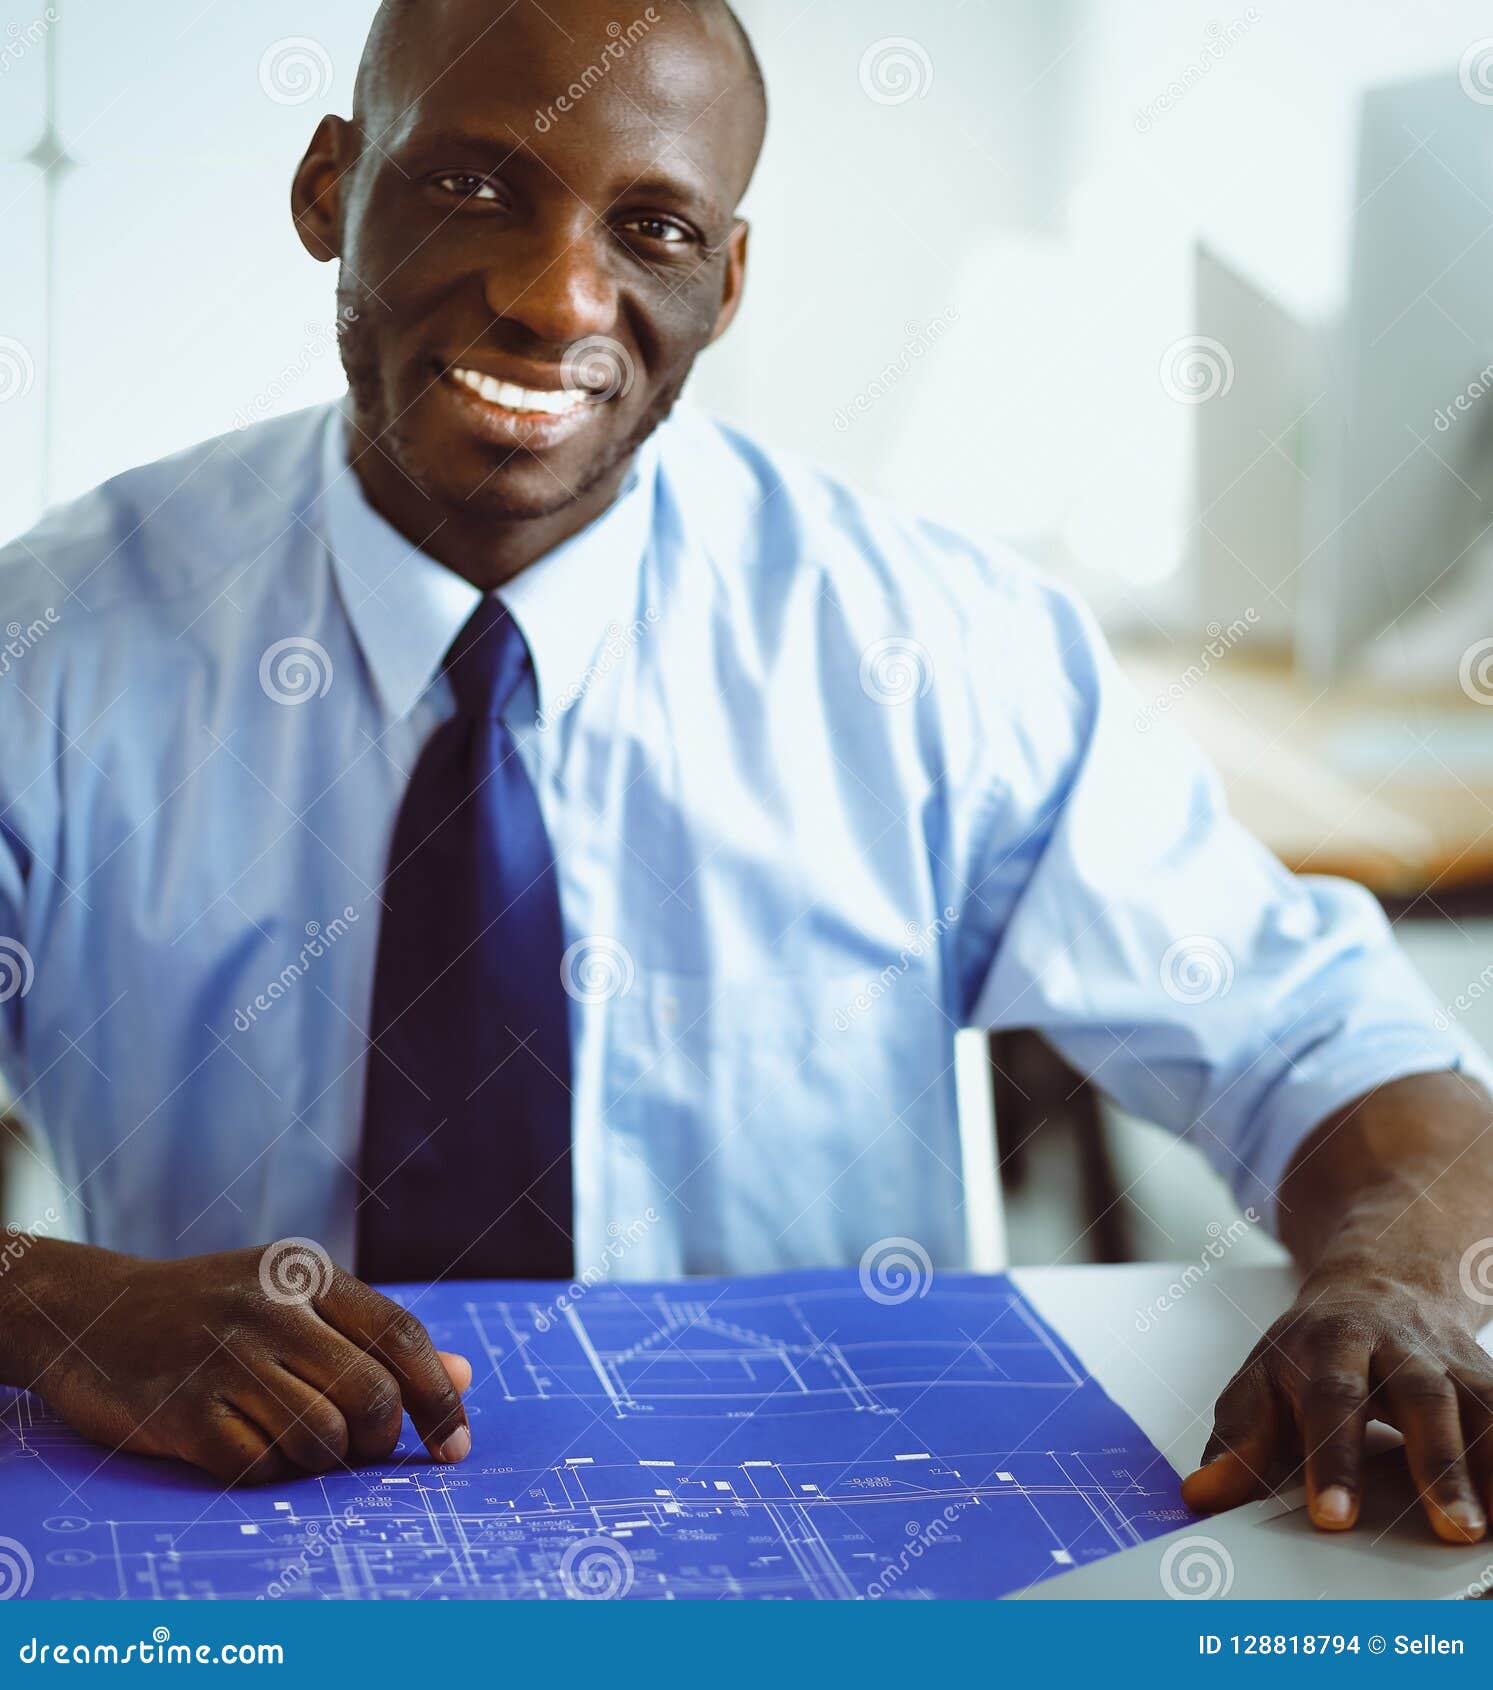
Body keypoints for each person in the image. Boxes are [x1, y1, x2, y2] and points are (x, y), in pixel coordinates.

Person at [2, 0, 1491, 1547]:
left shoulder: (938, 650)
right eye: (470, 186)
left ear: (725, 281)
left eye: (649, 228)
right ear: (329, 188)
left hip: (836, 1550)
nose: (552, 293)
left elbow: (1351, 1062)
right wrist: (47, 1302)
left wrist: (1388, 1283)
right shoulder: (51, 645)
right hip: (237, 1539)